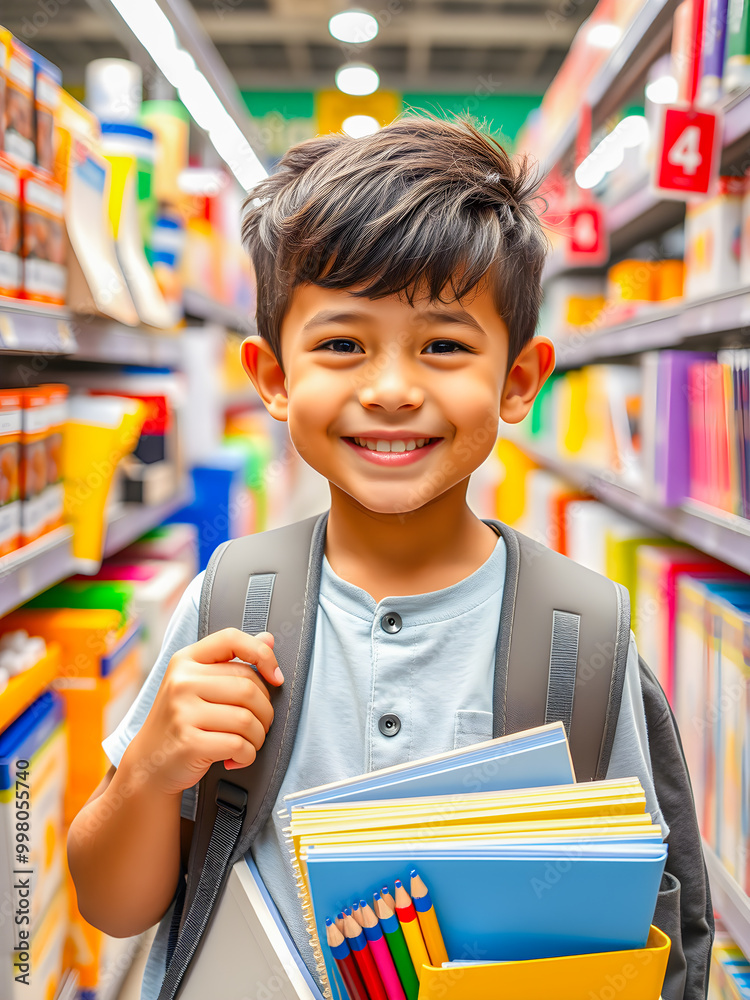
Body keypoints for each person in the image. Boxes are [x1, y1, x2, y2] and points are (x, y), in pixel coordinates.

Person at [67, 116, 710, 999]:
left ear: (520, 379)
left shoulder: (584, 639)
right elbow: (111, 906)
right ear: (273, 377)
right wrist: (147, 769)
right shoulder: (228, 607)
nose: (394, 389)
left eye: (444, 345)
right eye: (342, 344)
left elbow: (645, 920)